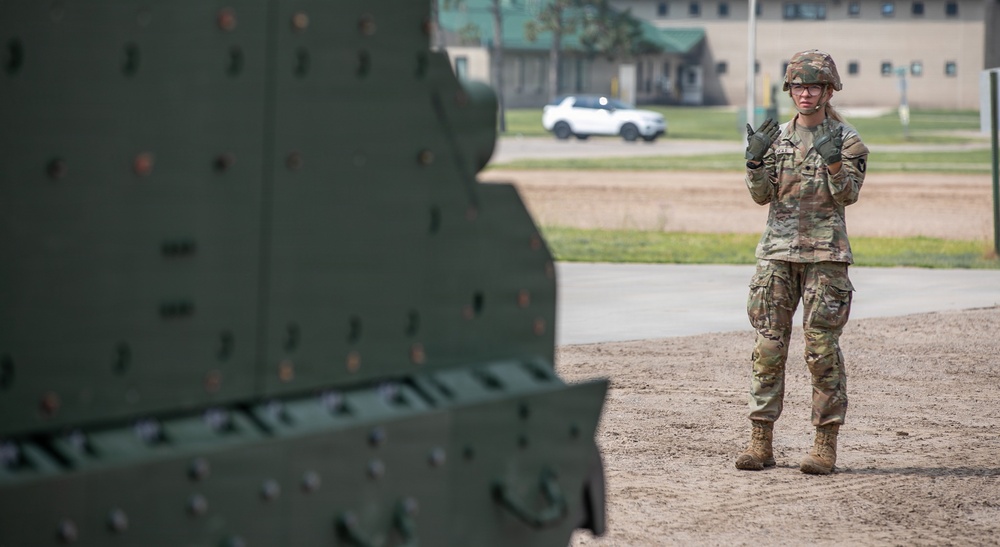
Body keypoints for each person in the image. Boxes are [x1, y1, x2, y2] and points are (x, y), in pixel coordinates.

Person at [735, 50, 870, 475]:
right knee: (768, 348)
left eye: (814, 86)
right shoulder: (777, 138)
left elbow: (847, 194)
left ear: (829, 91)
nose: (805, 93)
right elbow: (761, 196)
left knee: (821, 350)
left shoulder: (848, 141)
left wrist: (832, 161)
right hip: (777, 254)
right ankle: (761, 443)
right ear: (790, 90)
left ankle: (824, 445)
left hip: (825, 257)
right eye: (798, 86)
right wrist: (755, 161)